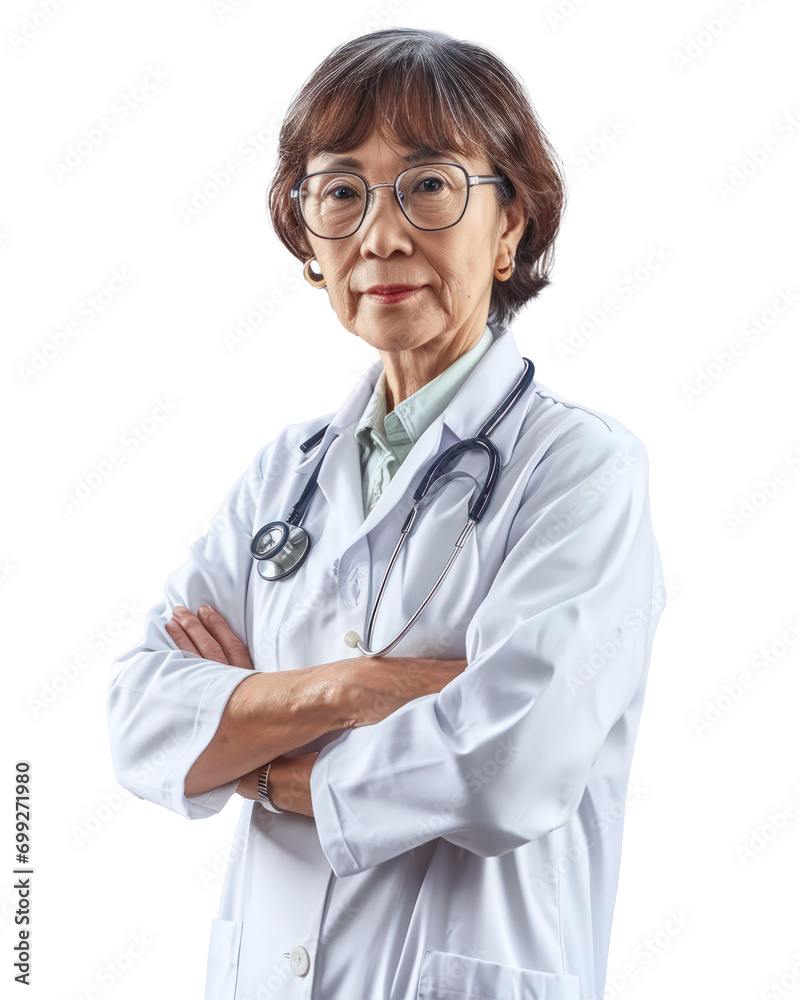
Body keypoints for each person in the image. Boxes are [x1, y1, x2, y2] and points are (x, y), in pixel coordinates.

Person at [107, 27, 666, 1000]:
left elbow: (508, 766)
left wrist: (259, 753)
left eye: (428, 184)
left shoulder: (580, 471)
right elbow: (142, 719)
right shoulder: (283, 474)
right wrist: (362, 687)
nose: (378, 234)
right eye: (339, 192)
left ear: (511, 225)